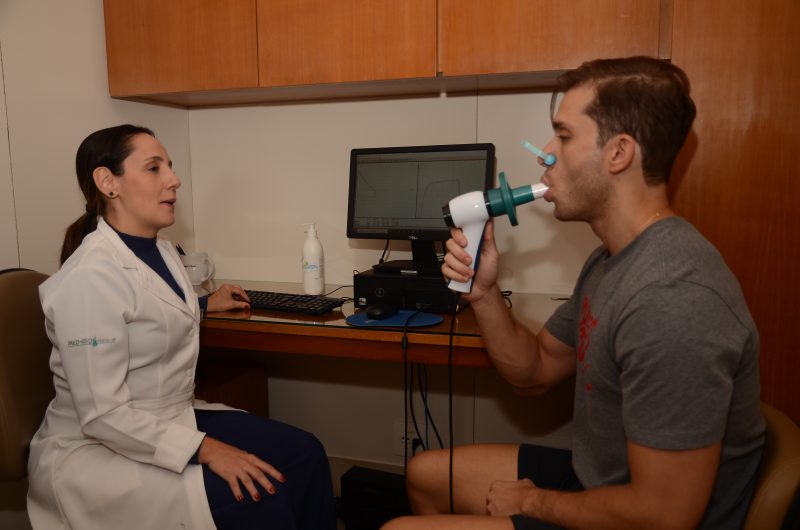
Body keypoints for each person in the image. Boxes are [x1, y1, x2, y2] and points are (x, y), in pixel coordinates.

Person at [383, 57, 764, 529]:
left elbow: (666, 515)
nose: (546, 152)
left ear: (619, 153)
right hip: (601, 484)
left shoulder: (672, 297)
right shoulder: (610, 261)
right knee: (425, 474)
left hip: (643, 516)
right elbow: (535, 371)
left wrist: (534, 502)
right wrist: (483, 293)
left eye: (563, 137)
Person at [27, 124, 337, 530]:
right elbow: (102, 415)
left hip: (169, 417)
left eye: (169, 167)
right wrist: (207, 449)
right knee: (261, 494)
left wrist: (205, 304)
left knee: (305, 453)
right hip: (99, 445)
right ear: (108, 182)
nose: (174, 180)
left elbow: (148, 312)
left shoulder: (161, 250)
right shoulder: (88, 278)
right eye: (154, 168)